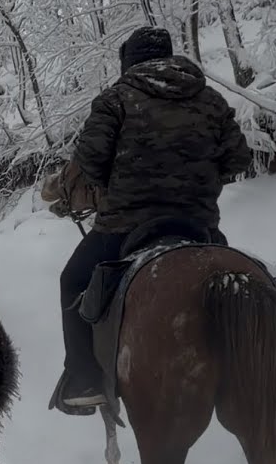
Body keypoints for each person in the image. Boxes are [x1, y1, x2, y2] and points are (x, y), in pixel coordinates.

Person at [53, 26, 253, 411]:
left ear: (128, 62)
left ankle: (83, 378)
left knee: (72, 280)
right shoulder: (209, 99)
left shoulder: (115, 100)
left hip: (125, 227)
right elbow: (238, 159)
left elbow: (91, 161)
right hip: (199, 227)